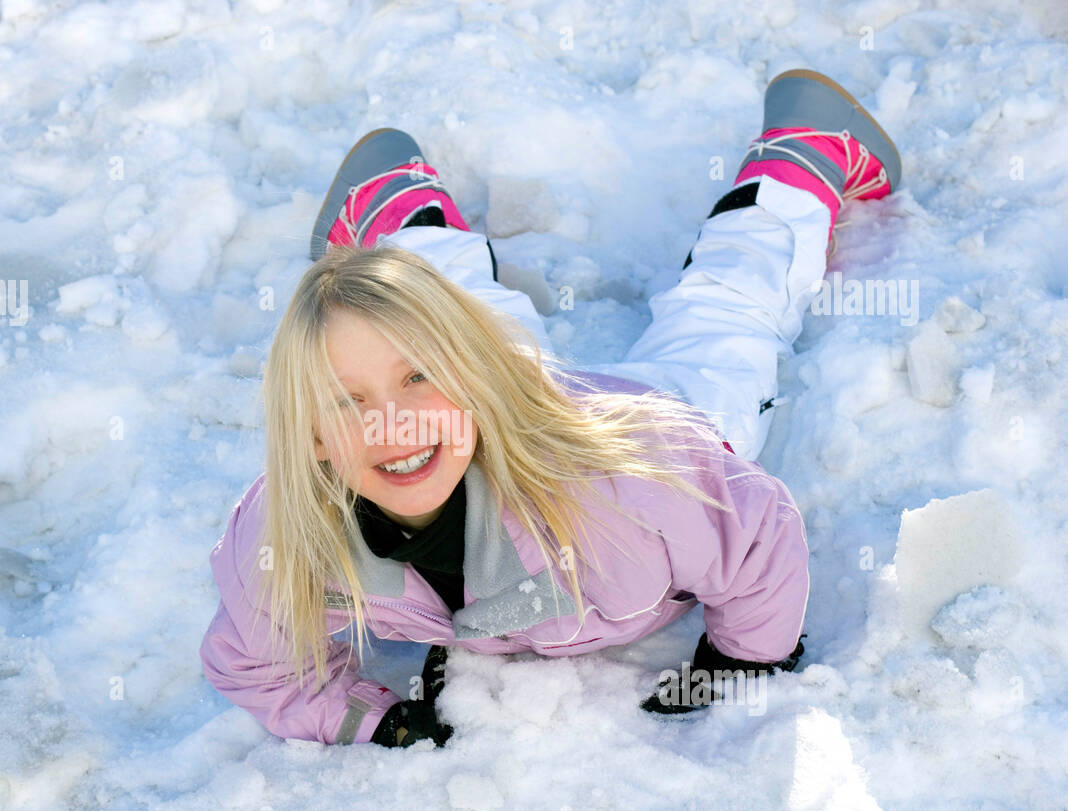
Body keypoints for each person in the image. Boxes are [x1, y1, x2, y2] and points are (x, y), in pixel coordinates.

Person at [200, 69, 902, 747]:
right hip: (493, 404)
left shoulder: (642, 482)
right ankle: (393, 199)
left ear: (470, 376)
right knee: (451, 320)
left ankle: (804, 148)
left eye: (417, 379)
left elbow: (759, 536)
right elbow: (264, 669)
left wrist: (744, 662)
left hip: (618, 423)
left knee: (728, 315)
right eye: (348, 402)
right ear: (312, 438)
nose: (394, 419)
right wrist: (374, 720)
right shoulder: (286, 538)